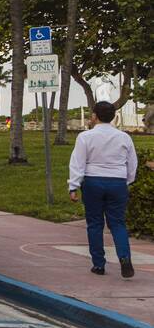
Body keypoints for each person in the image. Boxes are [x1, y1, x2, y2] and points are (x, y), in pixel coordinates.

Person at [68, 101, 139, 279]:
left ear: (94, 116)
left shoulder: (85, 137)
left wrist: (73, 186)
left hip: (93, 182)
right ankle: (124, 258)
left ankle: (98, 264)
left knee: (94, 224)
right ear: (114, 116)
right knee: (118, 223)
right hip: (117, 182)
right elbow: (132, 164)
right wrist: (127, 180)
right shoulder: (124, 137)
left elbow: (78, 163)